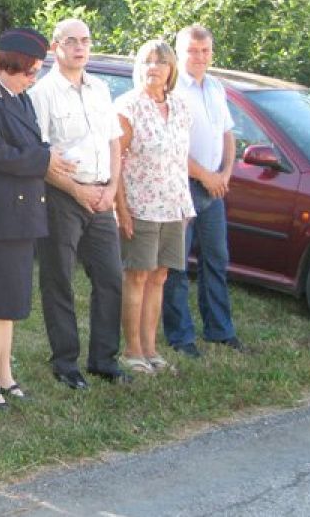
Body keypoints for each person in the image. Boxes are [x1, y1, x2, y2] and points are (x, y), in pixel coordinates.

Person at [0, 28, 75, 409]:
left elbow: (30, 142)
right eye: (29, 71)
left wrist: (46, 155)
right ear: (9, 65)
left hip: (18, 214)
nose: (33, 79)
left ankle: (5, 373)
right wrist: (44, 159)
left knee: (10, 303)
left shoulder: (16, 96)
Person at [31, 19, 129, 388]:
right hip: (62, 198)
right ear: (55, 47)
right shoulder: (42, 94)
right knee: (59, 280)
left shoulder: (100, 89)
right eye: (71, 41)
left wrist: (112, 188)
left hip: (101, 197)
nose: (79, 47)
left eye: (85, 41)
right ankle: (65, 363)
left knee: (110, 278)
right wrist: (76, 190)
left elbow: (114, 143)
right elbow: (40, 157)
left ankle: (104, 360)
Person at [162, 25, 245, 358]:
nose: (199, 57)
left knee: (216, 261)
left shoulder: (215, 87)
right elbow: (171, 146)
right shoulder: (171, 90)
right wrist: (206, 175)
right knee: (177, 266)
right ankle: (181, 337)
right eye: (192, 51)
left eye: (205, 50)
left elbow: (227, 134)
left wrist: (225, 173)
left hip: (214, 190)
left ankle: (219, 331)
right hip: (182, 186)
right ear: (179, 53)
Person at [114, 40, 196, 375]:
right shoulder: (128, 106)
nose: (154, 68)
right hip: (141, 206)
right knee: (137, 276)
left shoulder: (181, 107)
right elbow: (115, 162)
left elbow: (180, 160)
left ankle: (150, 349)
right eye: (148, 61)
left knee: (160, 276)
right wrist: (121, 208)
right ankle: (132, 350)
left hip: (174, 206)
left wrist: (185, 208)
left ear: (171, 69)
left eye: (161, 62)